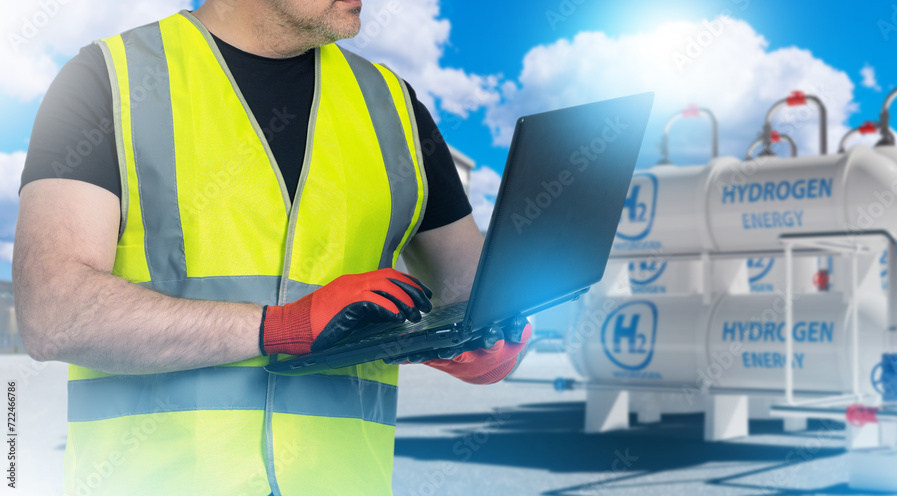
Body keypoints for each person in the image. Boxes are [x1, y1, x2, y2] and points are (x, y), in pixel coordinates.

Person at [13, 1, 530, 494]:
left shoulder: (392, 105)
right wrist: (282, 327)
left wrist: (494, 328)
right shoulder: (109, 78)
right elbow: (54, 311)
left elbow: (467, 286)